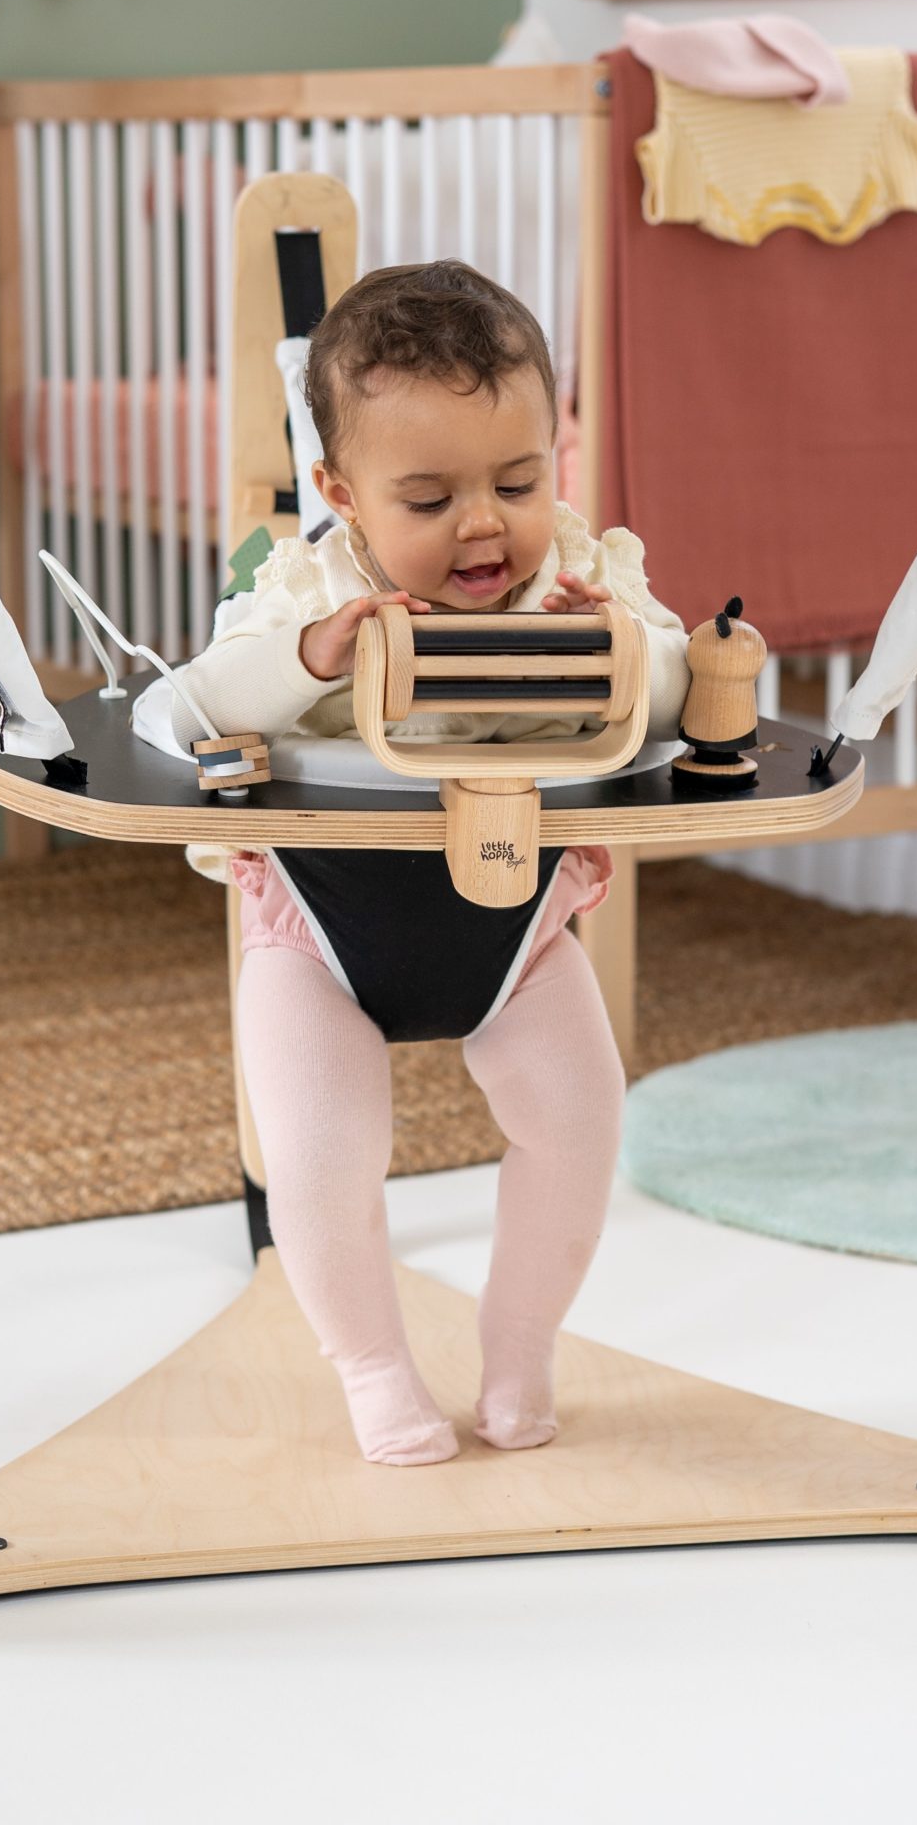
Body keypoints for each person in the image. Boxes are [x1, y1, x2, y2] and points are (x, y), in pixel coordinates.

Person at [149, 261, 689, 1466]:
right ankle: (372, 1363)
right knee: (325, 1152)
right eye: (429, 498)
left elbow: (675, 694)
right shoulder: (310, 587)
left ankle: (520, 1337)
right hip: (323, 929)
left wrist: (606, 659)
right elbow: (191, 705)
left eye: (515, 480)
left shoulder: (582, 583)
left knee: (583, 1118)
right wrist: (310, 656)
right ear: (342, 497)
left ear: (558, 453)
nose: (483, 524)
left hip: (514, 924)